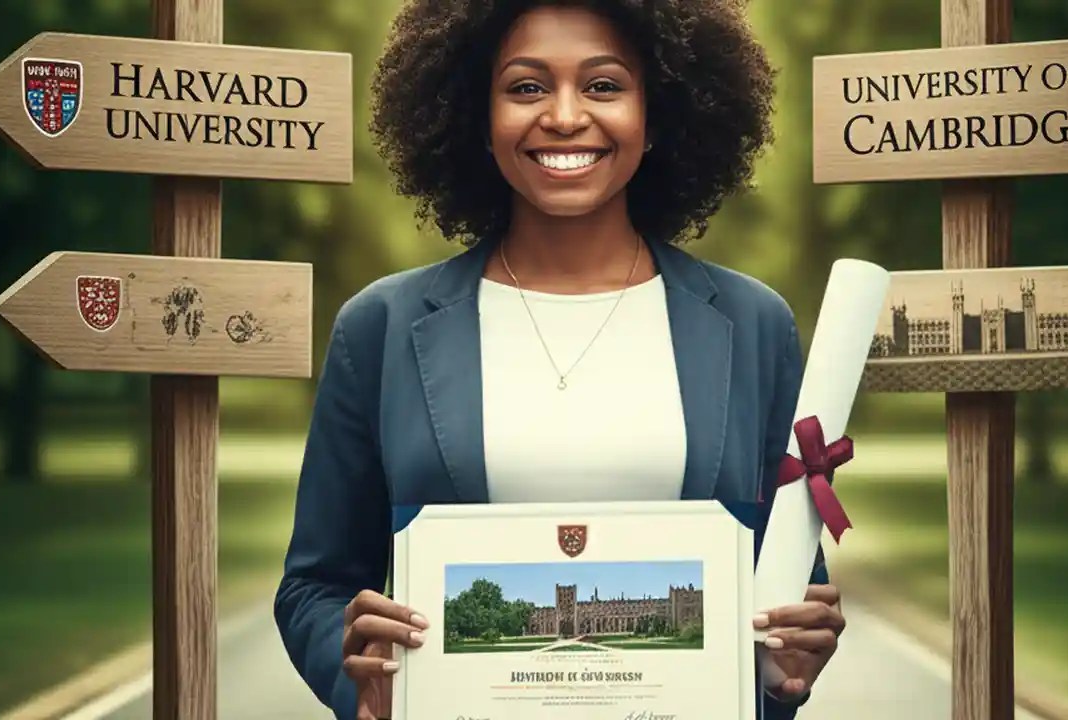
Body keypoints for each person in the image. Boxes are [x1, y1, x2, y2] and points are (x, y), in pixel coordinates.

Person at [274, 1, 846, 718]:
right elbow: (313, 589)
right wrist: (352, 667)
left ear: (658, 111)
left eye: (604, 85)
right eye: (525, 87)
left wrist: (783, 666)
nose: (566, 116)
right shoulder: (381, 328)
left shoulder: (752, 325)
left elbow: (790, 586)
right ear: (476, 116)